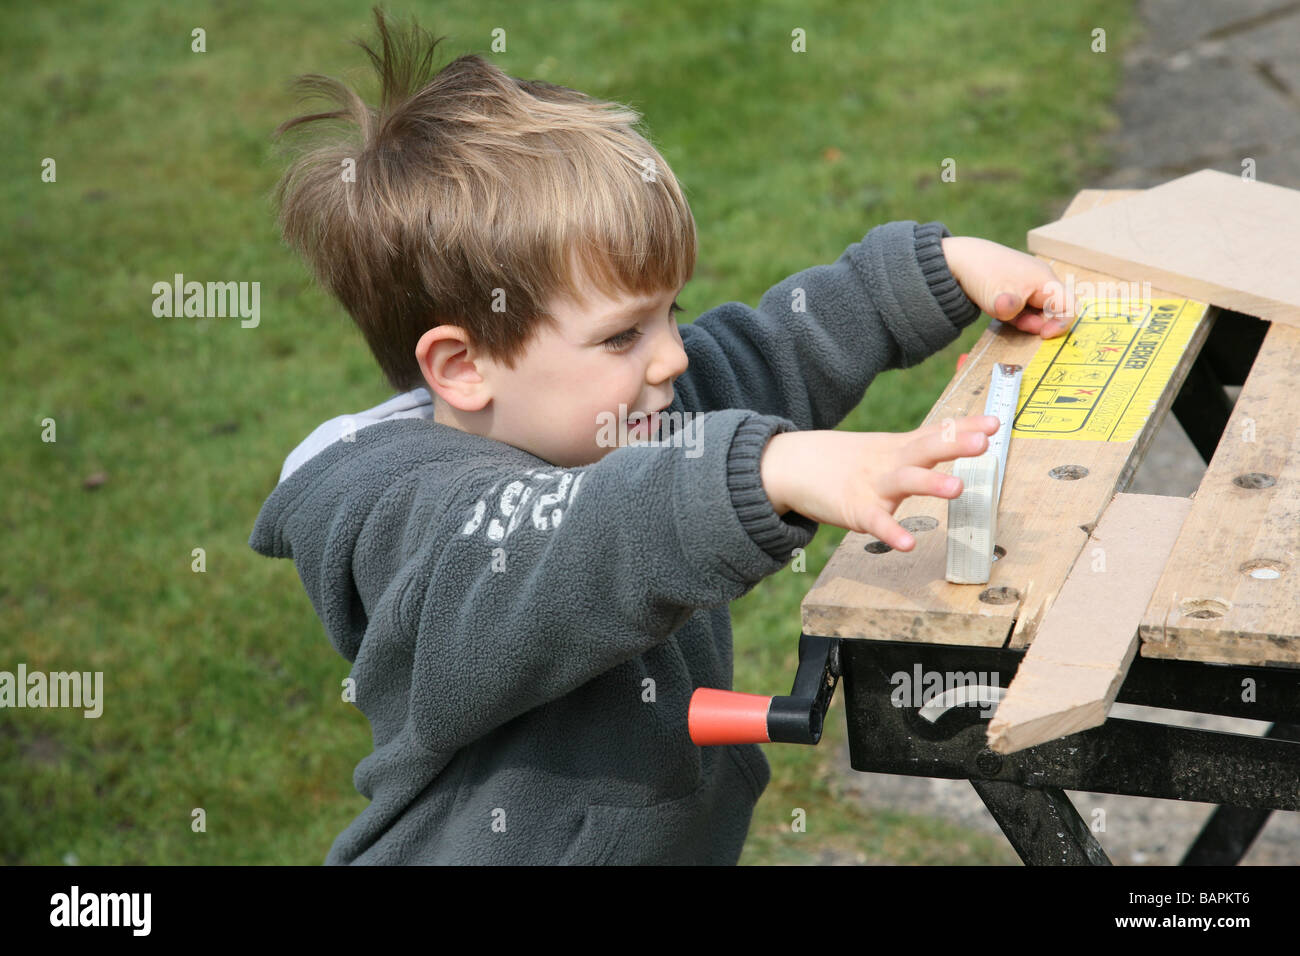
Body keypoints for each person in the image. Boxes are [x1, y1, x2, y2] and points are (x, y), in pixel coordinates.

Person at [249, 8, 1072, 864]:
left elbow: (769, 351)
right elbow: (581, 535)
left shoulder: (616, 418)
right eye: (621, 335)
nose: (671, 355)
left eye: (668, 314)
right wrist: (770, 466)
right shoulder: (415, 521)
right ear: (462, 365)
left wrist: (925, 275)